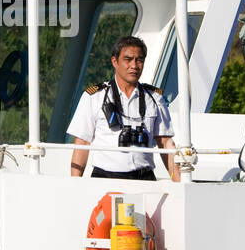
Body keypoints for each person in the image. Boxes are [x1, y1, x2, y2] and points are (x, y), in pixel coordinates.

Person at [68, 36, 180, 182]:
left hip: (145, 179)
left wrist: (180, 184)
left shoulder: (154, 98)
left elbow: (165, 144)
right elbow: (82, 144)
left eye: (139, 60)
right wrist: (75, 186)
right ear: (115, 62)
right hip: (105, 178)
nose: (134, 65)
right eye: (128, 59)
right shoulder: (94, 97)